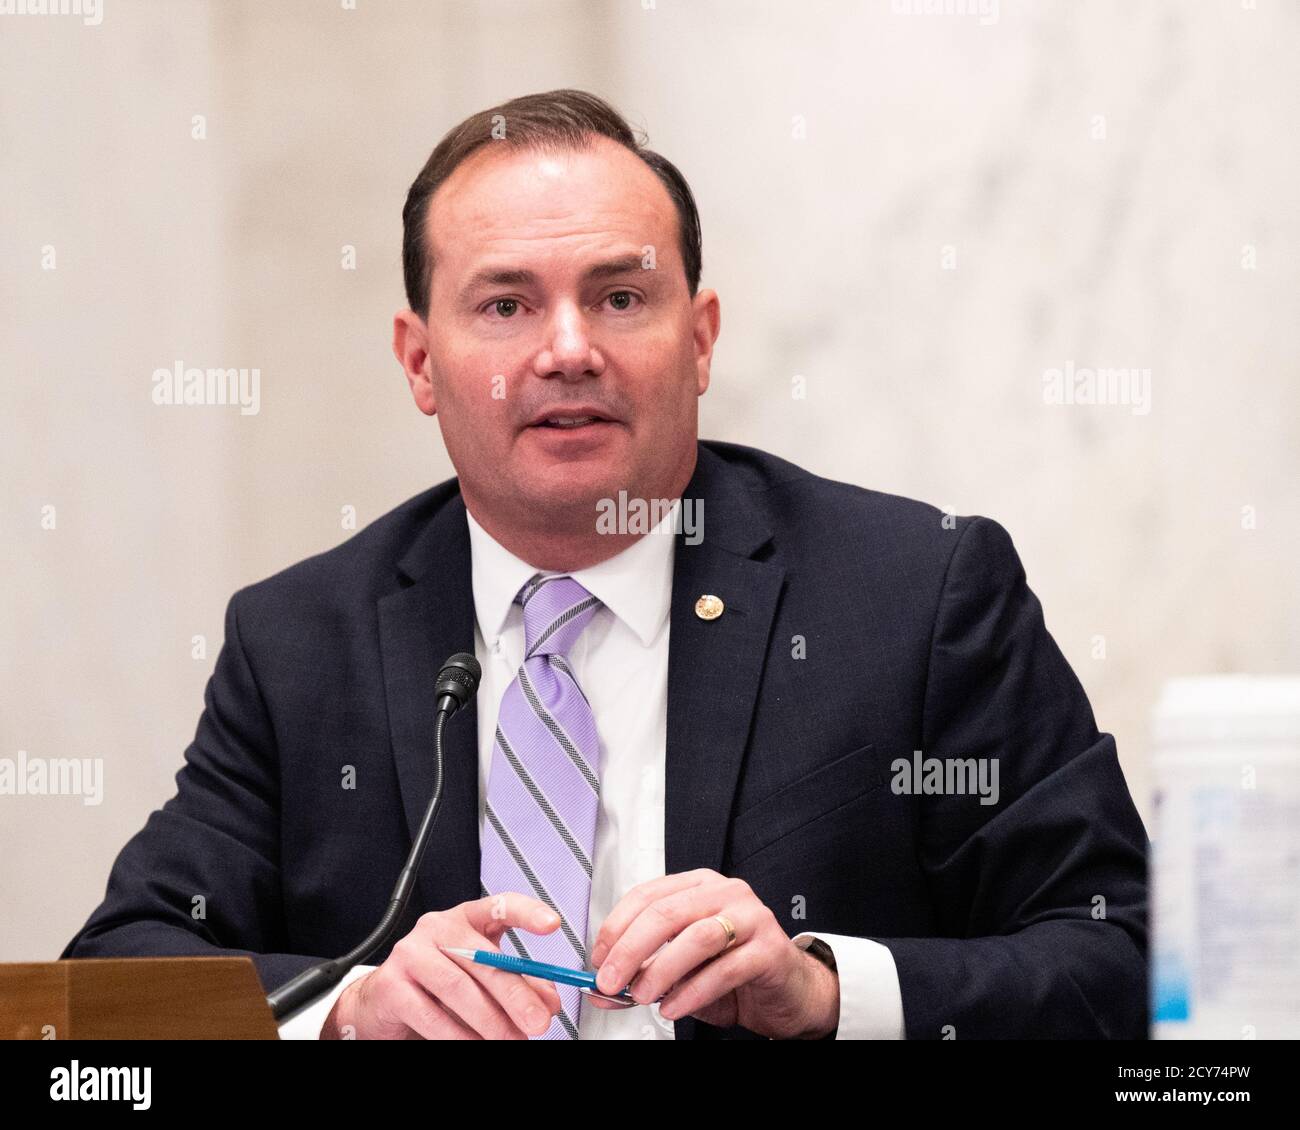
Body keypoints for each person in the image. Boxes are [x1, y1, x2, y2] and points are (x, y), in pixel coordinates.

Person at [61, 89, 1149, 1040]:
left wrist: (822, 992)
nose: (568, 347)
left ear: (702, 338)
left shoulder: (915, 593)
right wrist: (346, 1009)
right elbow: (106, 987)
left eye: (620, 296)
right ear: (419, 361)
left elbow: (1126, 960)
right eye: (506, 303)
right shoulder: (301, 640)